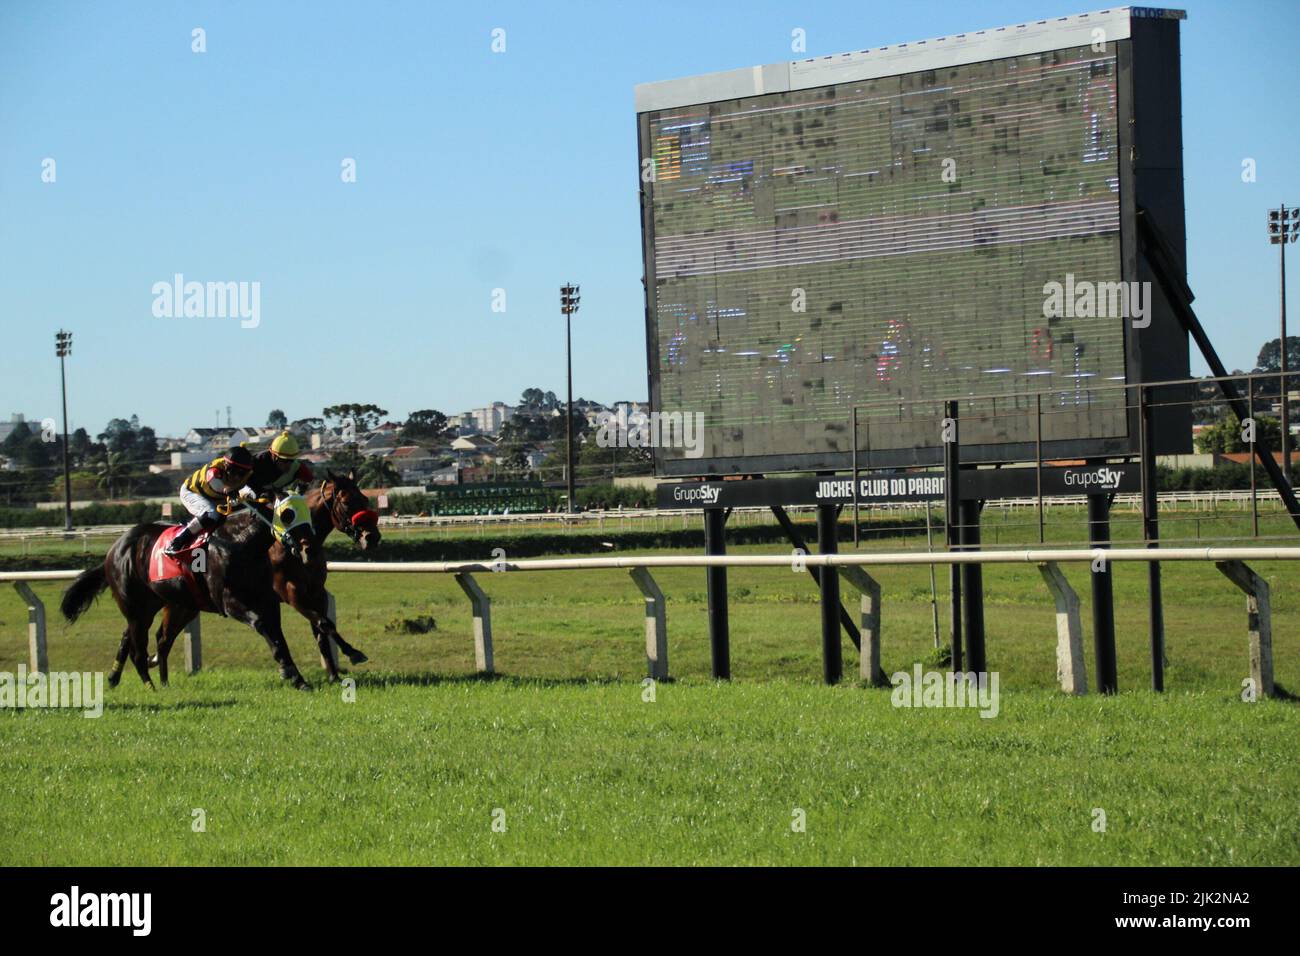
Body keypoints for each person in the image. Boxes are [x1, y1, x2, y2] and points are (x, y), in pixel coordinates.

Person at [164, 446, 255, 555]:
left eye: (241, 473)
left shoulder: (247, 472)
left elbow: (247, 490)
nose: (237, 477)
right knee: (211, 514)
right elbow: (223, 489)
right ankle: (176, 542)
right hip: (192, 492)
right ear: (226, 466)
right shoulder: (214, 472)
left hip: (215, 497)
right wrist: (240, 493)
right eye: (234, 472)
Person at [242, 431, 314, 498]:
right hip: (248, 500)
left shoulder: (297, 467)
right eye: (284, 460)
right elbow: (240, 482)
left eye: (291, 460)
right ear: (273, 456)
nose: (288, 465)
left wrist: (298, 494)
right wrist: (252, 493)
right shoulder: (256, 462)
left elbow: (309, 480)